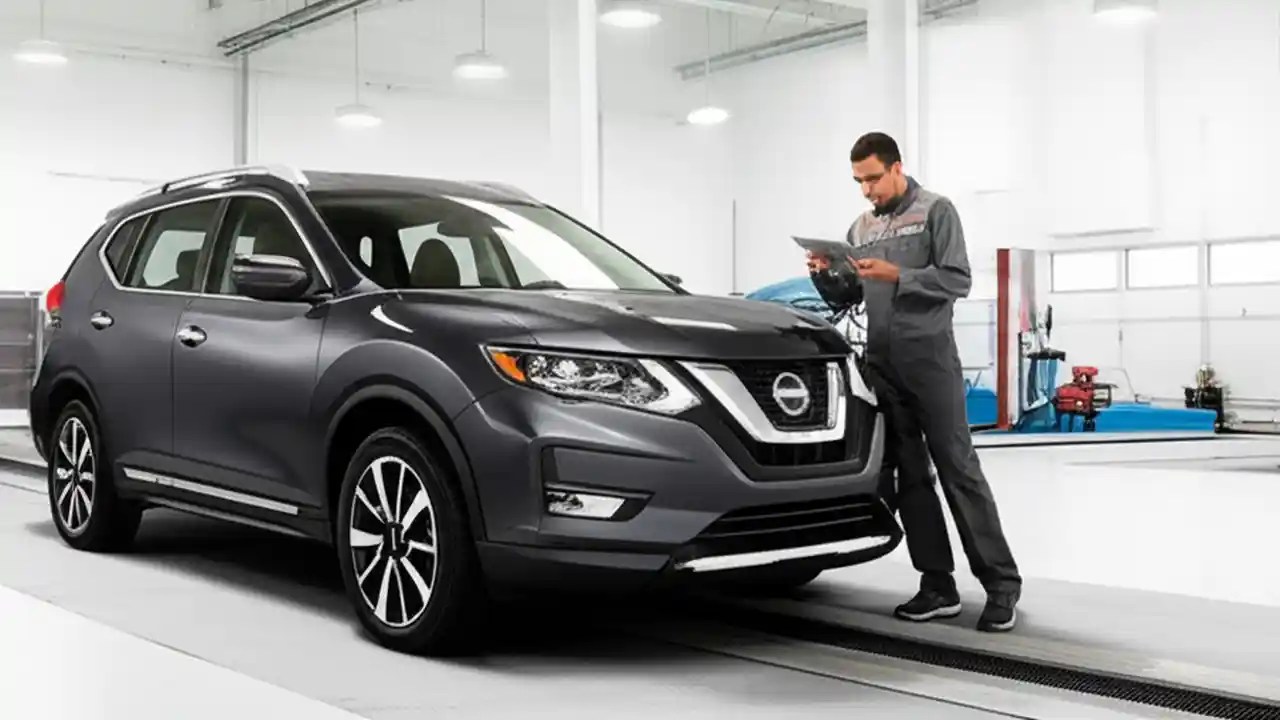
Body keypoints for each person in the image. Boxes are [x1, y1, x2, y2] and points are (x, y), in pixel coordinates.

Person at [807, 131, 1022, 633]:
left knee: (958, 469)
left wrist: (899, 275)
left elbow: (958, 279)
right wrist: (825, 274)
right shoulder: (860, 228)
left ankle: (1001, 585)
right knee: (910, 477)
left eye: (873, 179)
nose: (867, 191)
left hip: (930, 359)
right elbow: (849, 297)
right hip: (882, 361)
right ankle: (937, 584)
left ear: (897, 167)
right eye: (859, 182)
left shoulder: (935, 211)